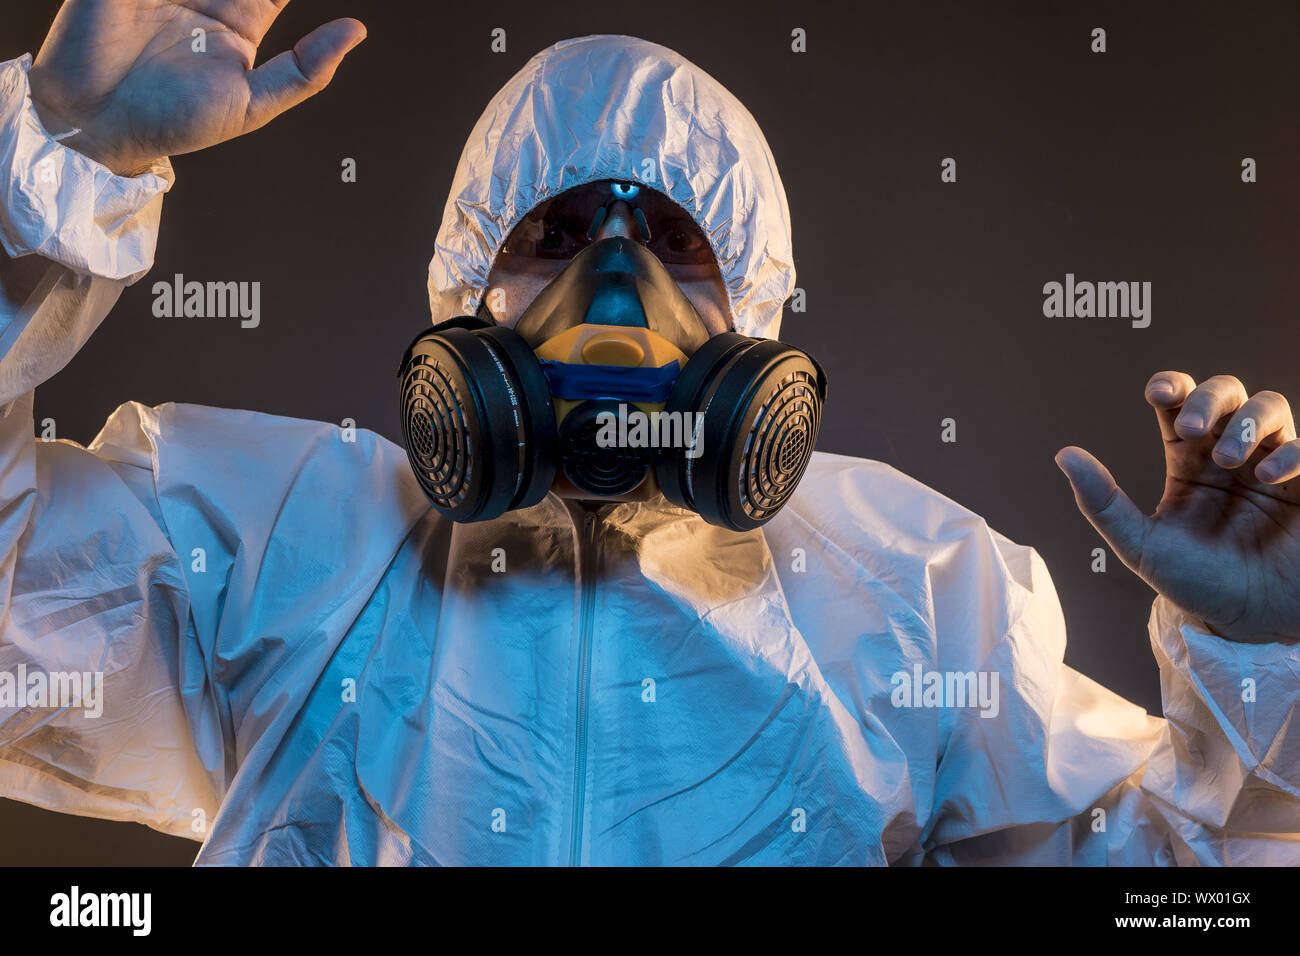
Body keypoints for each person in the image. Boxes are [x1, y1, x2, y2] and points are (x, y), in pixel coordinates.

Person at [0, 0, 1297, 867]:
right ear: (465, 290)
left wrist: (1261, 661)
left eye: (679, 244)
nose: (614, 303)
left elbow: (1179, 890)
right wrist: (56, 166)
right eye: (553, 240)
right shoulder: (270, 535)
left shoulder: (922, 589)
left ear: (761, 299)